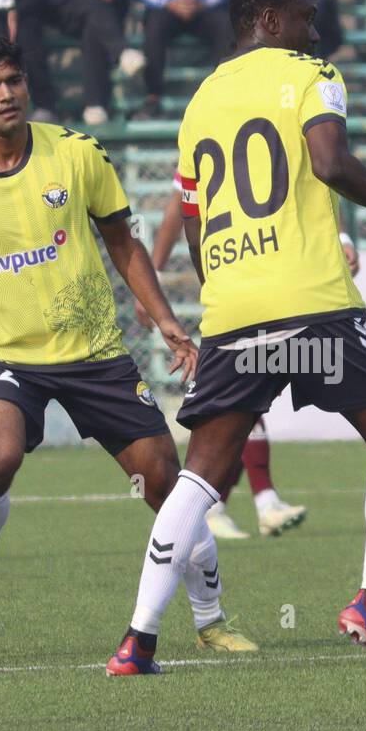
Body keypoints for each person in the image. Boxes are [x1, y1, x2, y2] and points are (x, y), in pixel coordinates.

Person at [105, 0, 366, 676]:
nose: (315, 29)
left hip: (234, 310)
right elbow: (330, 161)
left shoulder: (201, 100)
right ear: (269, 19)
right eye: (305, 14)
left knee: (200, 474)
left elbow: (197, 221)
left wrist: (224, 295)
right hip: (314, 301)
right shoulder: (310, 73)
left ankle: (137, 641)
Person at [0, 35, 252, 662]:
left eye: (13, 80)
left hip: (95, 351)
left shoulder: (74, 154)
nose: (5, 94)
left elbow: (123, 243)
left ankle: (210, 618)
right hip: (4, 352)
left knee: (164, 483)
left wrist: (168, 324)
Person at [134, 173, 317, 539]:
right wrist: (149, 279)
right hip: (232, 292)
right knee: (235, 403)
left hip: (260, 286)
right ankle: (235, 506)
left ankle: (241, 504)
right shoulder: (209, 133)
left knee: (244, 403)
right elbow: (179, 207)